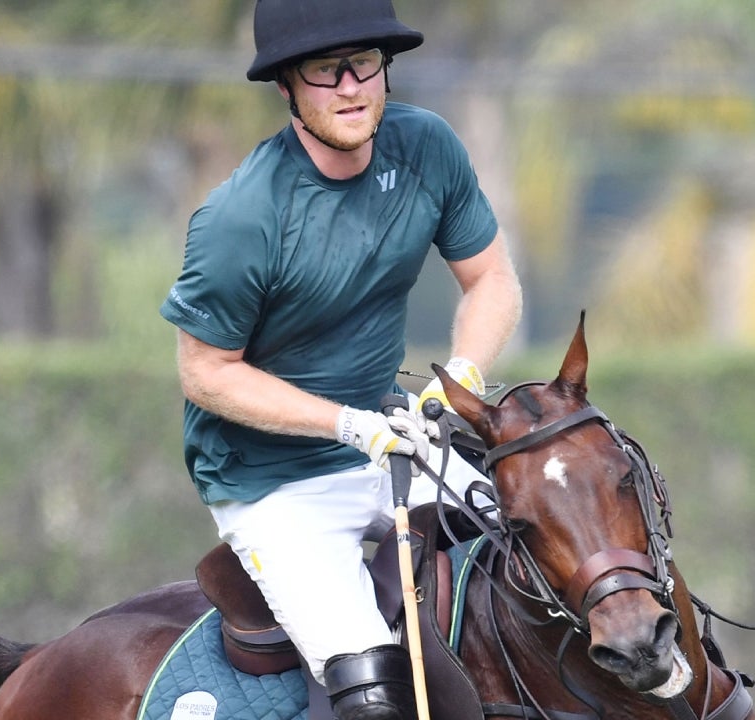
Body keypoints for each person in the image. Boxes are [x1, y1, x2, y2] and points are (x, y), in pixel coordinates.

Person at [158, 1, 523, 719]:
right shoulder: (242, 217)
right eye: (327, 70)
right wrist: (347, 426)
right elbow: (205, 372)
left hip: (398, 440)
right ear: (287, 86)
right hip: (270, 481)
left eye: (365, 63)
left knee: (551, 570)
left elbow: (492, 279)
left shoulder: (428, 148)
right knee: (374, 695)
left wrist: (461, 380)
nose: (352, 87)